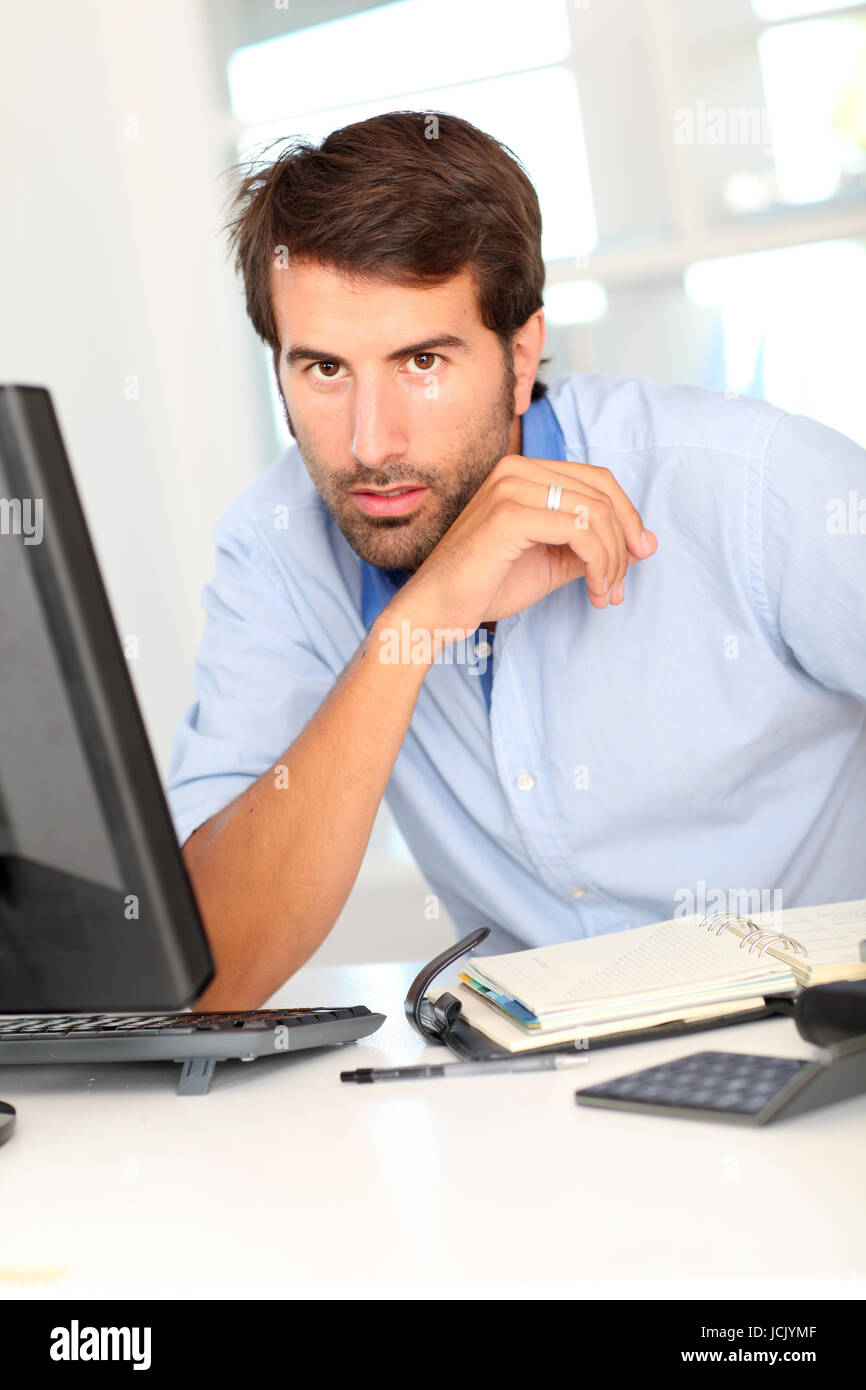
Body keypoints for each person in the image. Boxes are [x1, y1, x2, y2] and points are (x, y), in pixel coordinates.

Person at [165, 111, 866, 1011]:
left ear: (522, 351)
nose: (371, 443)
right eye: (324, 371)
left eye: (421, 359)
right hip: (537, 1112)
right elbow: (209, 972)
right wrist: (414, 626)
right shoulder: (276, 550)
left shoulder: (751, 486)